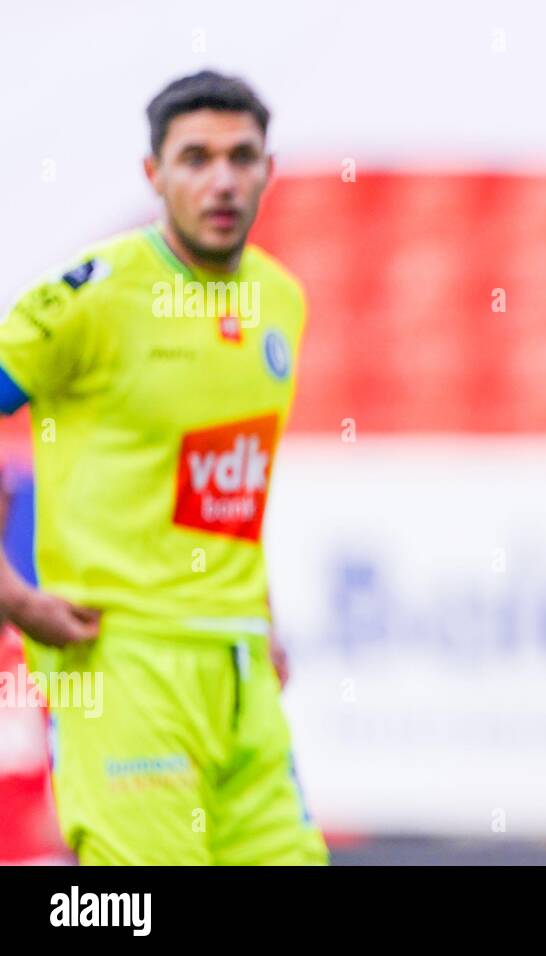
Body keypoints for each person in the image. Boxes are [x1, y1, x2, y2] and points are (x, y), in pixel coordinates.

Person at [0, 70, 327, 865]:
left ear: (267, 170)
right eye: (195, 158)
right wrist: (14, 601)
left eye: (242, 156)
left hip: (242, 666)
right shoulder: (89, 298)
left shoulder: (280, 300)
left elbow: (225, 480)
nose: (222, 179)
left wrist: (263, 614)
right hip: (122, 659)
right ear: (154, 175)